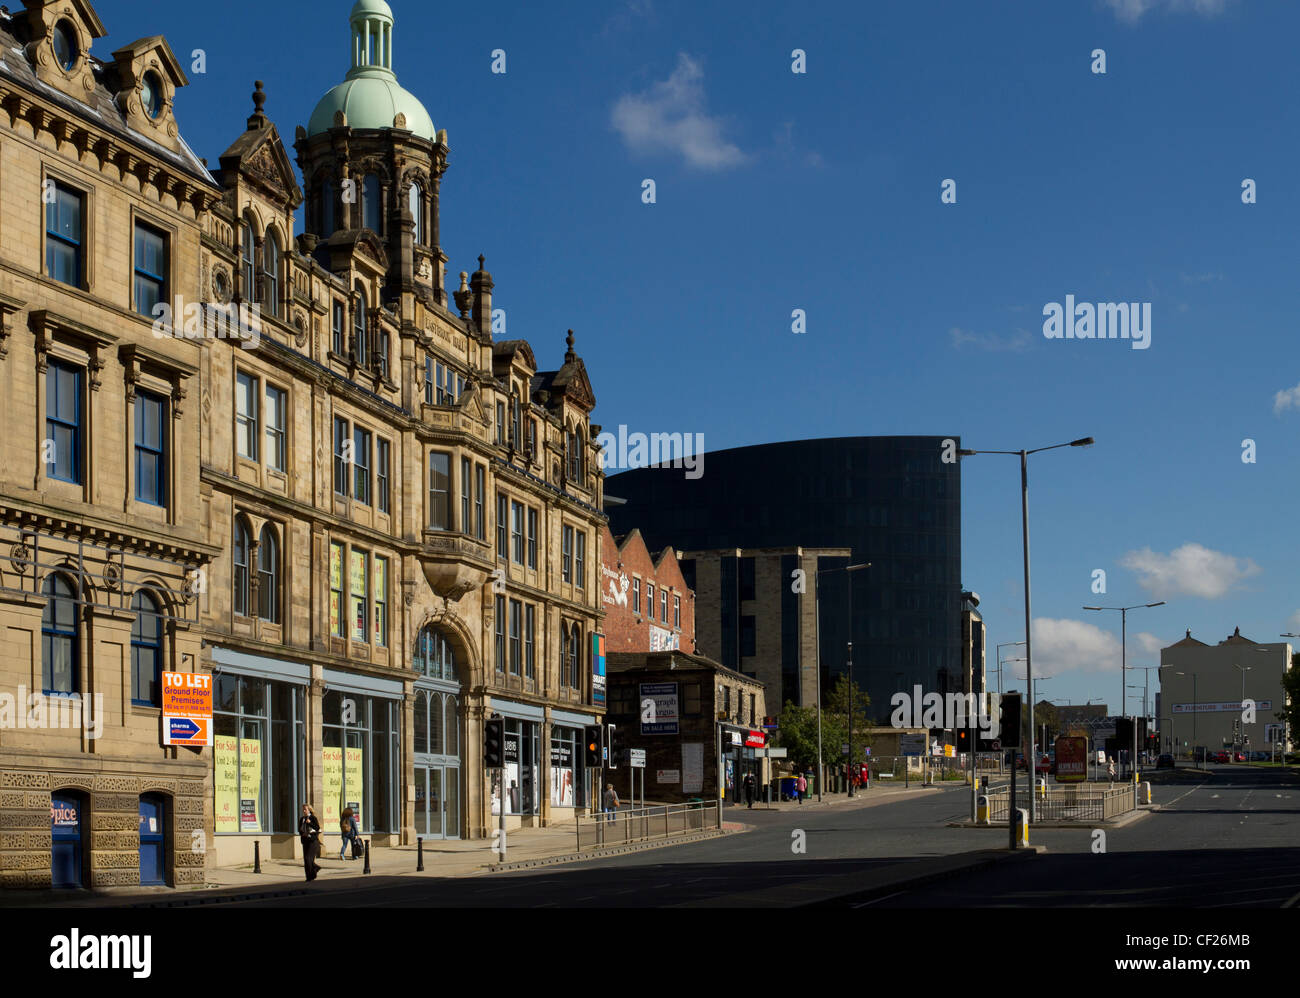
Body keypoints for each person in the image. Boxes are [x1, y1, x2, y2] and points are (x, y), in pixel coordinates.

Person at [299, 803, 321, 881]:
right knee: (306, 860)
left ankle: (314, 870)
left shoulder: (313, 818)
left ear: (309, 810)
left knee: (309, 859)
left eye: (305, 809)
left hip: (312, 841)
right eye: (303, 809)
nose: (304, 811)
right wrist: (302, 834)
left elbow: (317, 828)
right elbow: (300, 829)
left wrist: (310, 823)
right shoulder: (302, 819)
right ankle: (309, 877)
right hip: (305, 840)